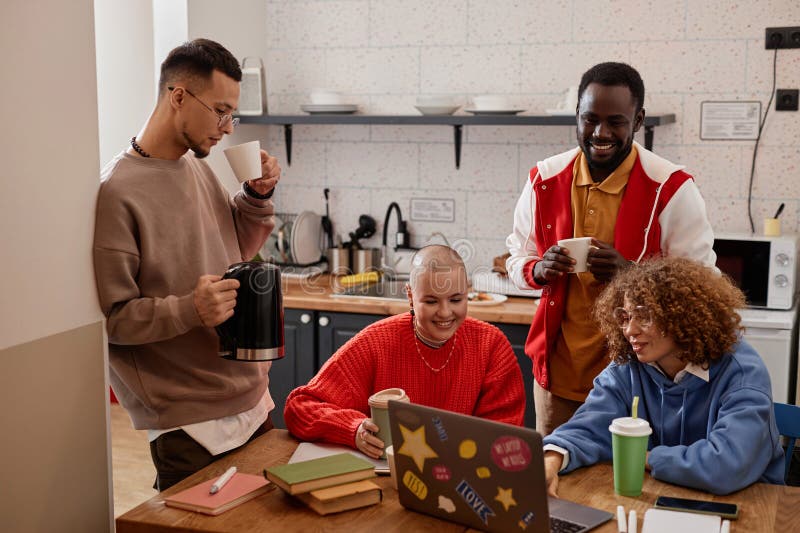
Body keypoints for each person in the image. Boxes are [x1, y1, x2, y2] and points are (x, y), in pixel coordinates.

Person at [93, 38, 281, 490]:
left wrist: (256, 196)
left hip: (253, 400)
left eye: (231, 114)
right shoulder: (116, 192)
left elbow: (235, 247)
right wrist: (190, 310)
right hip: (189, 425)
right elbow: (114, 321)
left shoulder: (195, 165)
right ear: (178, 96)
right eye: (220, 111)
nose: (228, 127)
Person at [506, 61, 717, 435]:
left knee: (629, 486)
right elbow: (516, 259)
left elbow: (702, 290)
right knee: (555, 482)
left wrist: (632, 276)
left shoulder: (670, 189)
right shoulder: (544, 179)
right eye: (590, 119)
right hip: (559, 379)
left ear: (638, 121)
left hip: (643, 383)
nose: (600, 132)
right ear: (577, 117)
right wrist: (539, 269)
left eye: (616, 121)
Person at [542, 257, 785, 496]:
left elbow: (726, 465)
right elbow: (587, 427)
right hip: (661, 495)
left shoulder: (741, 373)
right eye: (625, 317)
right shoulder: (627, 368)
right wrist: (550, 461)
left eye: (644, 316)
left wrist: (642, 457)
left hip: (750, 503)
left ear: (683, 317)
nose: (629, 330)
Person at [284, 245, 525, 458]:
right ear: (410, 296)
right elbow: (300, 407)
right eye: (431, 302)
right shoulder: (374, 342)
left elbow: (504, 436)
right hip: (385, 480)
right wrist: (353, 429)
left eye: (455, 300)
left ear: (467, 294)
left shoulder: (492, 345)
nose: (444, 313)